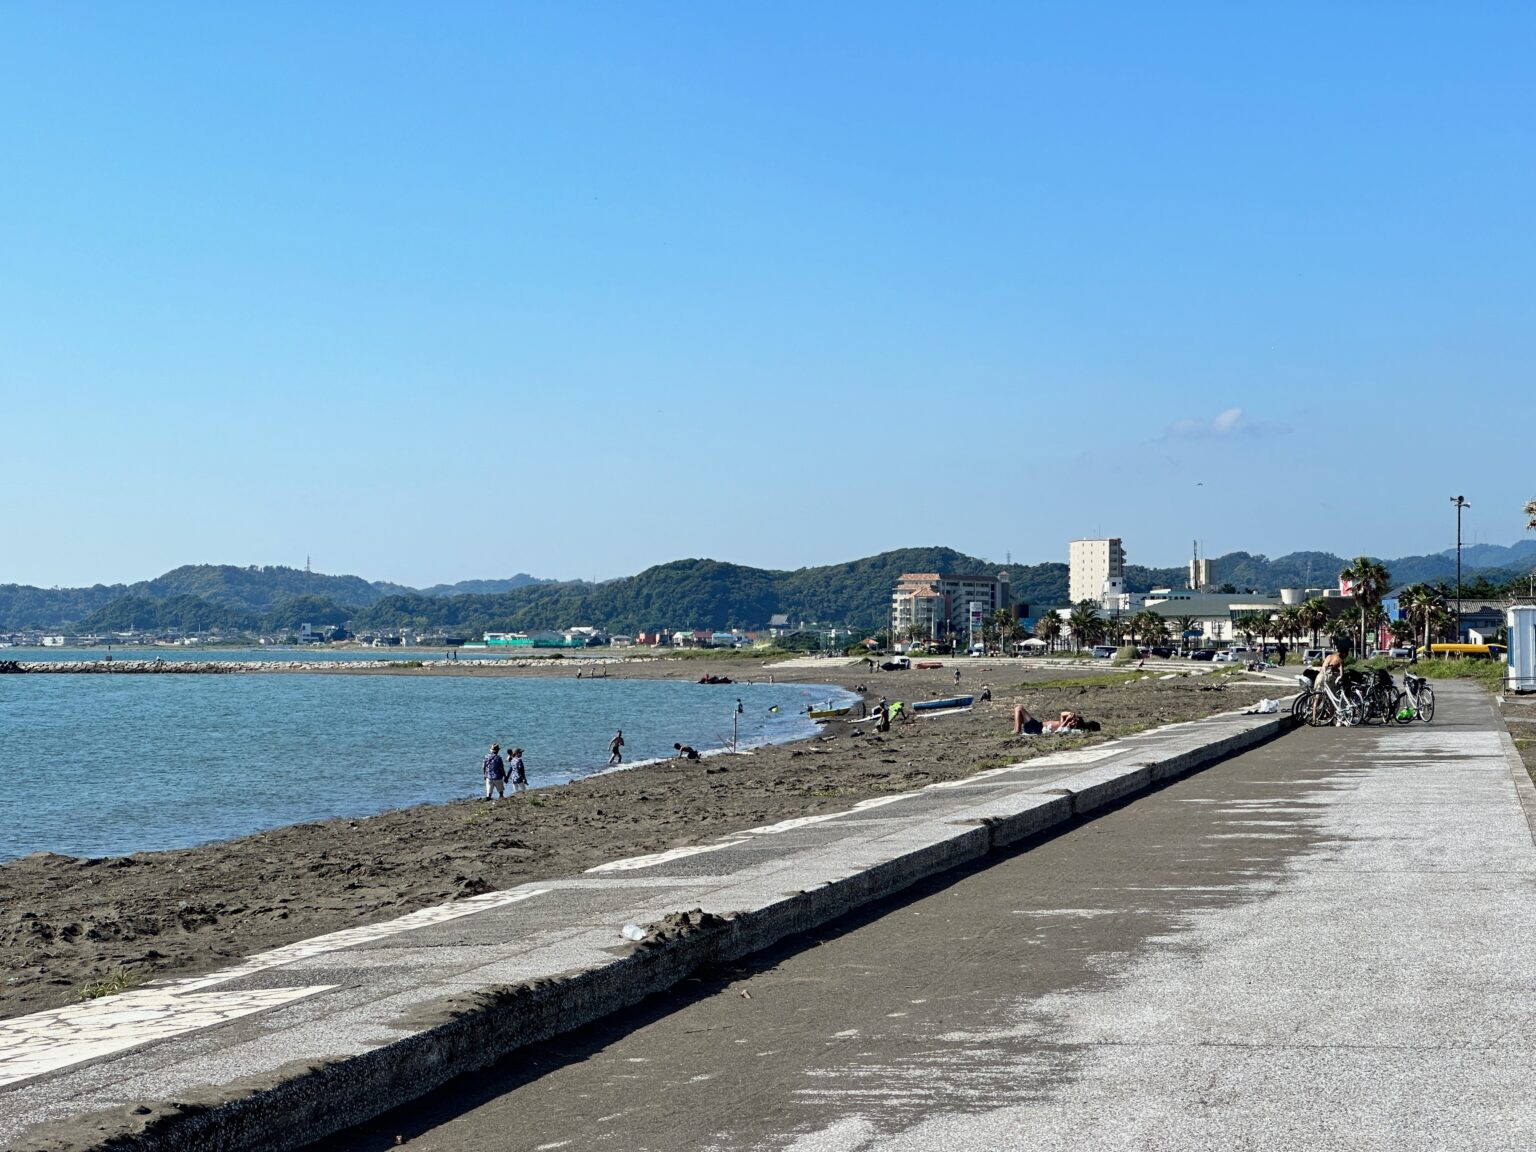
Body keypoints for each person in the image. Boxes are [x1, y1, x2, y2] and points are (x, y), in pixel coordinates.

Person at [1012, 705, 1100, 735]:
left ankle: (1017, 730)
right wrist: (1071, 714)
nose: (1072, 721)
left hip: (1036, 728)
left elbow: (1059, 731)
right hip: (1037, 724)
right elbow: (1062, 713)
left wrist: (1068, 720)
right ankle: (1016, 729)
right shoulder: (1065, 722)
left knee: (1019, 708)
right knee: (1018, 709)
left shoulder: (1067, 727)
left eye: (1074, 721)